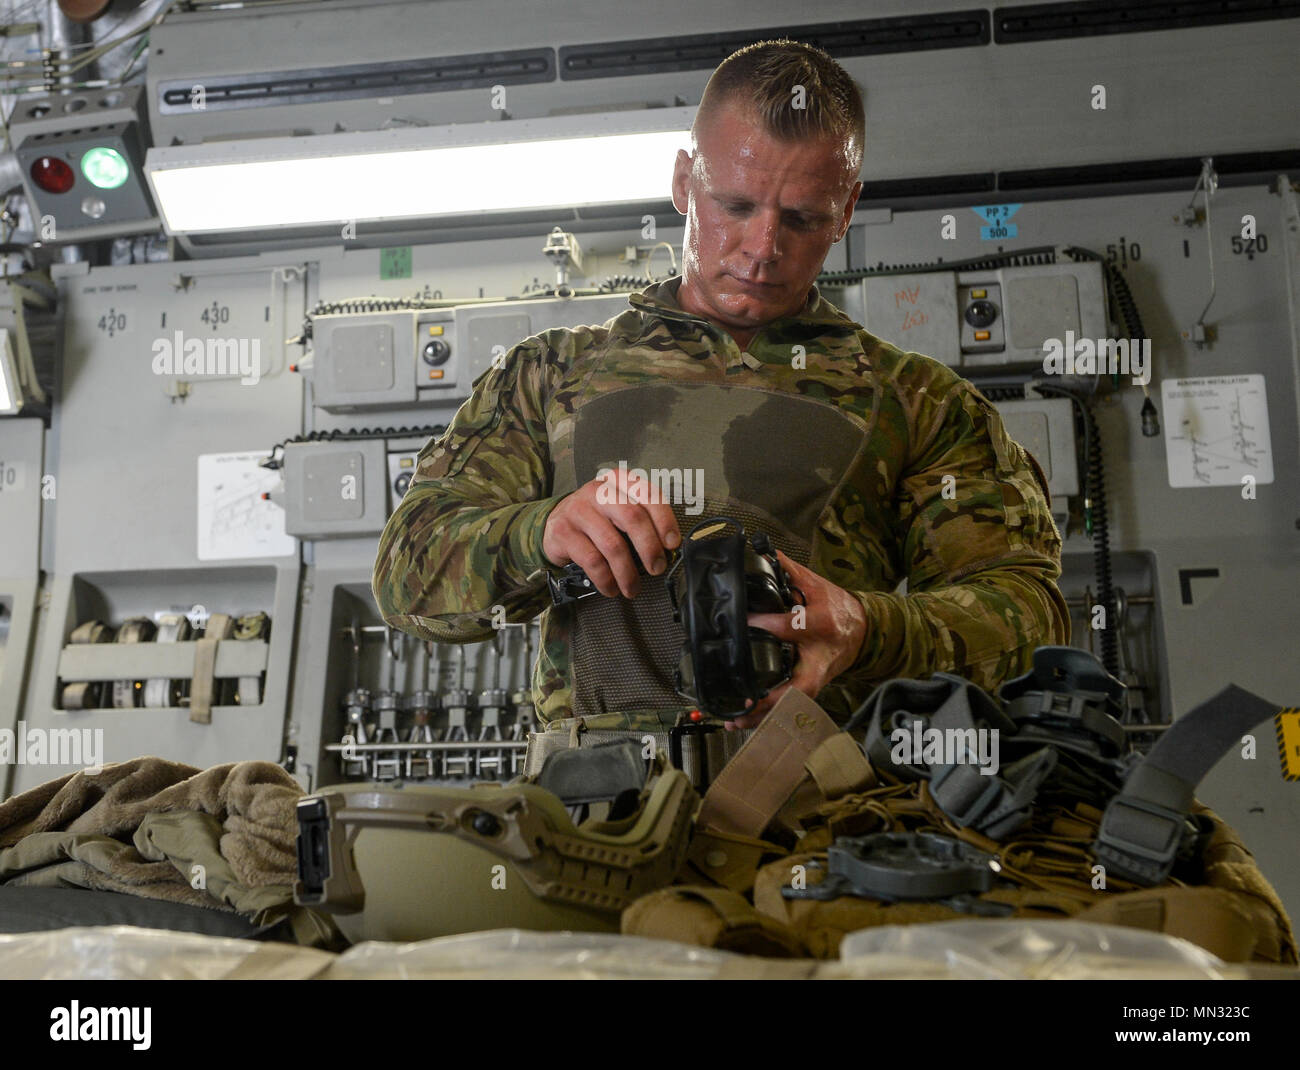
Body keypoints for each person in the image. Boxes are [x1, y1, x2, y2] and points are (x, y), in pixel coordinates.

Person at [373, 39, 1069, 737]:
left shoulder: (920, 403)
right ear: (684, 181)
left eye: (804, 218)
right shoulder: (548, 376)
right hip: (595, 825)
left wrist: (868, 628)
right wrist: (540, 533)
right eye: (735, 204)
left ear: (849, 207)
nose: (763, 247)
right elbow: (407, 582)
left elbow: (1027, 616)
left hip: (824, 817)